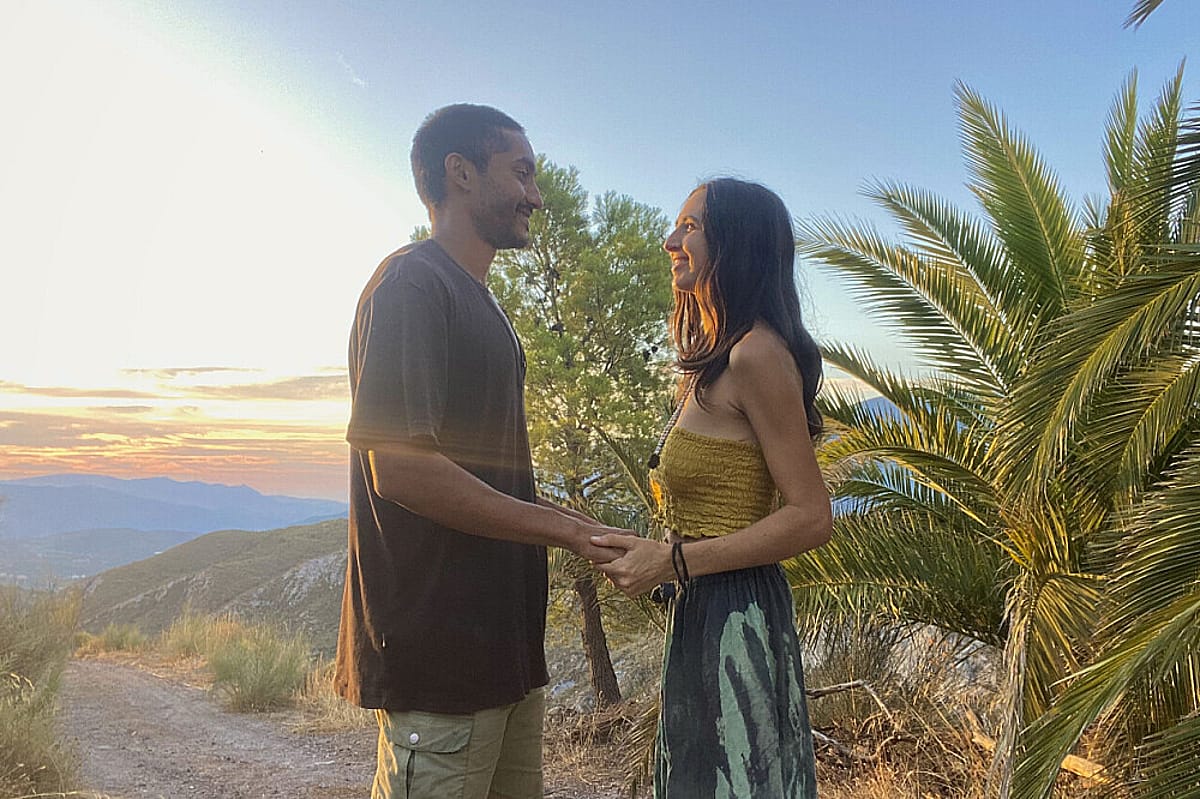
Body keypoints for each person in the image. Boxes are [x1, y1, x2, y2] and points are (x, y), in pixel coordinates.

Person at [334, 103, 627, 799]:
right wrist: (565, 530)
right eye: (521, 172)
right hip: (441, 666)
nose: (536, 194)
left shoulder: (484, 303)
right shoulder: (411, 285)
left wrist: (590, 531)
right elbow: (401, 469)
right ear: (459, 173)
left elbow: (495, 478)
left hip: (503, 659)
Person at [593, 178, 833, 798]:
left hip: (737, 617)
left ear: (738, 244)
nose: (671, 240)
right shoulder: (711, 359)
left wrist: (672, 562)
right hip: (700, 607)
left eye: (691, 226)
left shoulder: (757, 354)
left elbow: (811, 517)